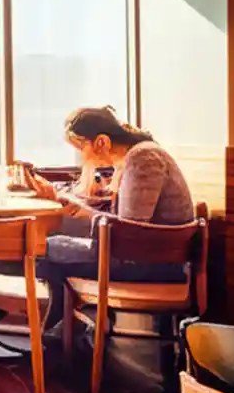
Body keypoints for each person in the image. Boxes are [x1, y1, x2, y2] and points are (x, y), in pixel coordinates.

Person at [30, 106, 195, 331]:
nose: (81, 157)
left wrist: (82, 213)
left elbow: (129, 232)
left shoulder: (143, 158)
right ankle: (67, 328)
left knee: (41, 250)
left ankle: (67, 330)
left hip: (152, 263)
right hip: (149, 257)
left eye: (81, 147)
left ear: (102, 142)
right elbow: (126, 223)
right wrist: (72, 205)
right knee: (49, 247)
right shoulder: (137, 157)